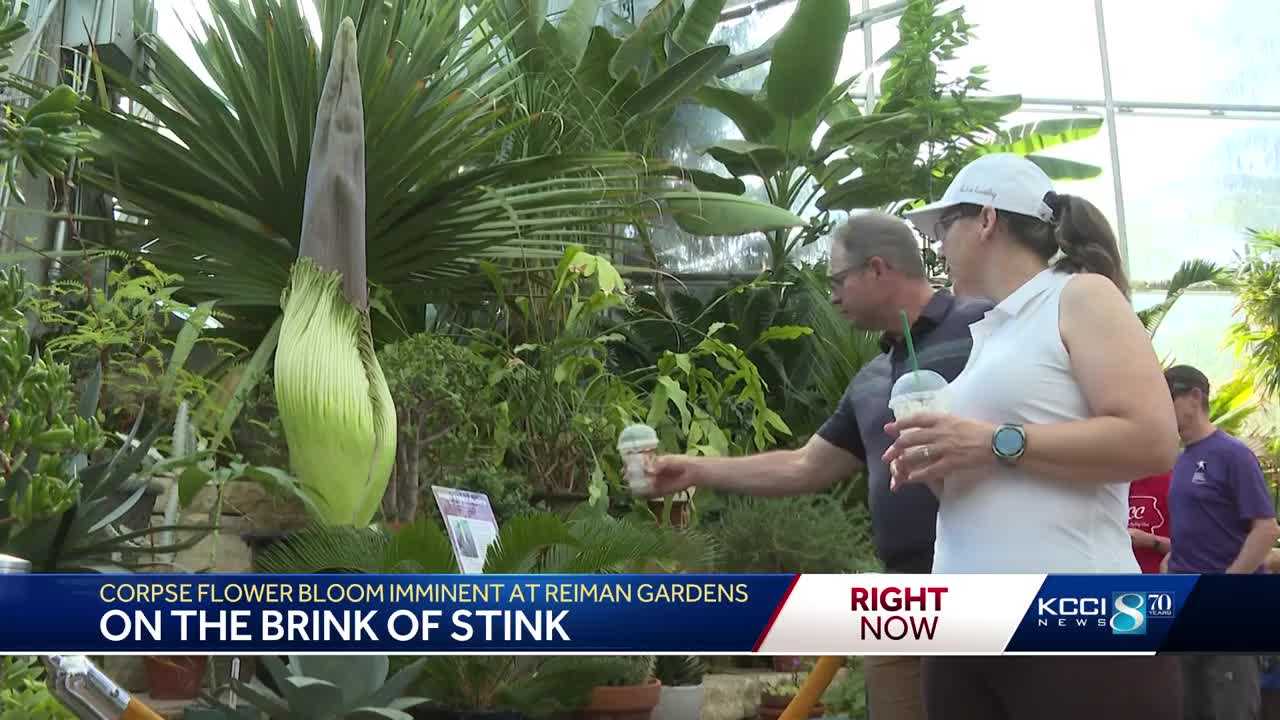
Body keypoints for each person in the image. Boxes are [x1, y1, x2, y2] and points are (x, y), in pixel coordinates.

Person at [646, 211, 992, 720]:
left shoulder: (986, 326)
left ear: (877, 269)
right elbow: (805, 466)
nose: (831, 296)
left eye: (836, 279)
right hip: (903, 600)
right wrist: (698, 471)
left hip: (991, 582)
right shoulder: (873, 379)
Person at [882, 153, 1182, 719]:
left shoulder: (1079, 294)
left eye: (944, 229)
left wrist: (993, 442)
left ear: (987, 220)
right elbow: (1000, 475)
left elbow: (1151, 440)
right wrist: (939, 461)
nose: (938, 248)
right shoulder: (995, 333)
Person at [1163, 364, 1280, 720]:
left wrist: (1228, 584)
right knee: (1187, 708)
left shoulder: (1232, 454)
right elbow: (1197, 528)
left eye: (1168, 399)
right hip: (1184, 606)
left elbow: (1266, 528)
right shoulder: (1180, 461)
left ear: (1195, 397)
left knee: (1230, 709)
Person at [1128, 471, 1173, 573]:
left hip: (1156, 582)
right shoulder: (1104, 485)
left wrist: (1152, 541)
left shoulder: (1174, 482)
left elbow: (1194, 550)